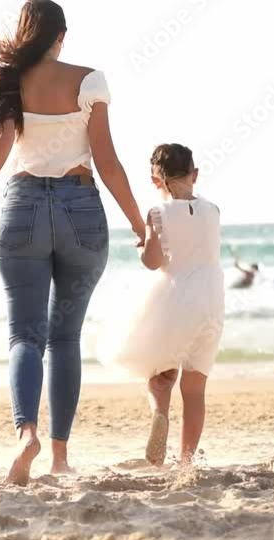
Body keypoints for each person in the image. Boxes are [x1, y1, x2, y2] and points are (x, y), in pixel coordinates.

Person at [0, 0, 145, 486]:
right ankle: (59, 457)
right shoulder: (90, 80)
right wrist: (140, 224)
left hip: (23, 210)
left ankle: (26, 435)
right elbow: (108, 161)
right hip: (81, 210)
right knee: (65, 337)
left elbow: (0, 146)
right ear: (62, 34)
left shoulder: (14, 80)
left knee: (24, 336)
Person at [98, 144, 224, 467]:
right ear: (194, 175)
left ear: (156, 181)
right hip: (211, 302)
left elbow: (154, 262)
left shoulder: (158, 213)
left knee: (160, 375)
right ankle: (186, 462)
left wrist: (143, 246)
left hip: (175, 297)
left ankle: (160, 416)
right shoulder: (213, 211)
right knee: (195, 389)